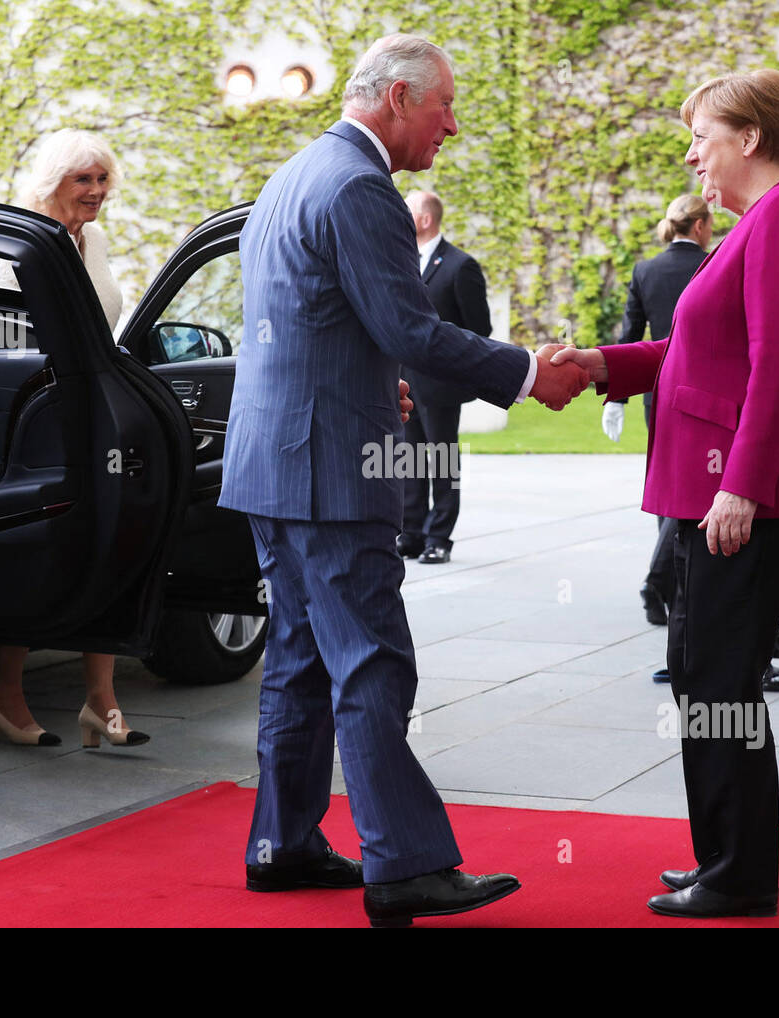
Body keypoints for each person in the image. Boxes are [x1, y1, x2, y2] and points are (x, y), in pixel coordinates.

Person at [218, 33, 587, 928]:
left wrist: (374, 370)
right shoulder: (360, 189)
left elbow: (314, 319)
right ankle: (405, 865)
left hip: (271, 462)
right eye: (444, 106)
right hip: (332, 471)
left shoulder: (294, 174)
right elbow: (413, 327)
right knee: (371, 663)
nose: (453, 125)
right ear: (393, 99)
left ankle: (283, 845)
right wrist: (530, 374)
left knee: (299, 663)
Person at [553, 69, 779, 918]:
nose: (692, 154)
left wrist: (743, 488)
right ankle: (724, 857)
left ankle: (740, 875)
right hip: (729, 489)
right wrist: (597, 366)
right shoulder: (765, 219)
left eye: (703, 135)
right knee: (700, 672)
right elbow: (695, 350)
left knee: (718, 677)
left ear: (750, 138)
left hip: (757, 495)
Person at [0, 128, 150, 749]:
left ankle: (101, 701)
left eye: (103, 179)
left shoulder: (94, 238)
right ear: (53, 182)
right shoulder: (16, 241)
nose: (98, 191)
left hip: (92, 414)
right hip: (32, 420)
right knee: (36, 552)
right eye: (84, 180)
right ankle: (4, 694)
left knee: (105, 545)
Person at [606, 195, 712, 626]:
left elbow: (631, 338)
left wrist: (616, 399)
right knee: (699, 489)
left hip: (660, 394)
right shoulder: (713, 265)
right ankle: (667, 583)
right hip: (708, 394)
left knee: (670, 486)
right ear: (701, 226)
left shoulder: (645, 270)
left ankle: (669, 587)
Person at [397, 189, 489, 565]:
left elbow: (479, 330)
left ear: (425, 219)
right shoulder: (399, 259)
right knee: (408, 460)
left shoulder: (460, 266)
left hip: (442, 386)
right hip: (404, 380)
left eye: (407, 210)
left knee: (442, 461)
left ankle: (440, 538)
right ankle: (412, 534)